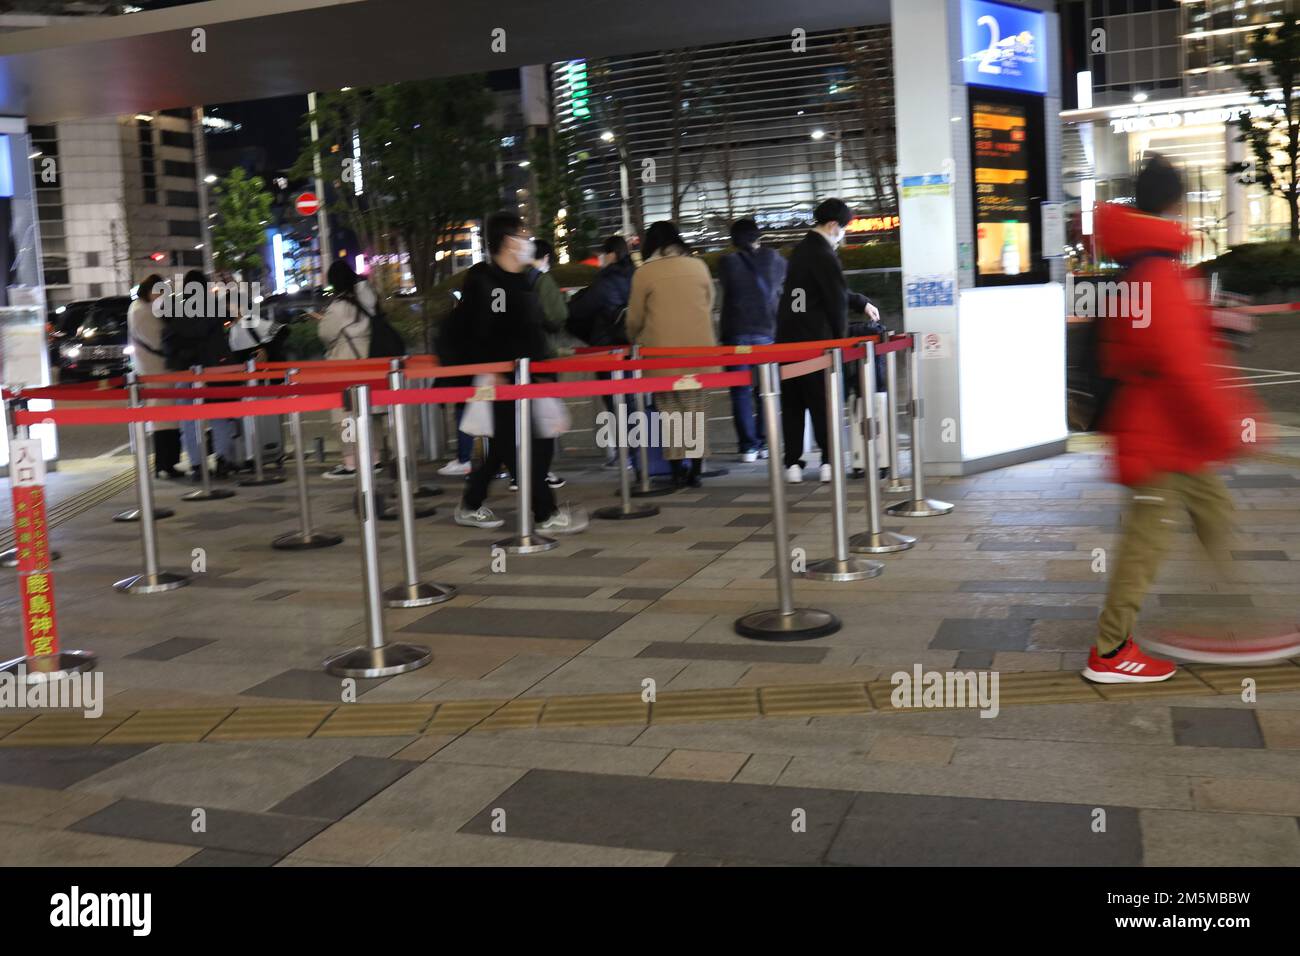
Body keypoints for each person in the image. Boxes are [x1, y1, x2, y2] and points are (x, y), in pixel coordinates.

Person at [1083, 154, 1248, 684]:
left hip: (1166, 431)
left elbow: (1160, 341)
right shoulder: (1155, 270)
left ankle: (1240, 616)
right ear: (1176, 201)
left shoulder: (1145, 263)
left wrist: (1210, 318)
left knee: (1214, 510)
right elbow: (1180, 364)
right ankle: (1110, 651)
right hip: (1158, 434)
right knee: (1145, 542)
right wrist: (1230, 429)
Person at [446, 210, 584, 533]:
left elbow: (530, 326)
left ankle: (471, 503)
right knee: (518, 446)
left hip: (527, 374)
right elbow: (488, 330)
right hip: (502, 378)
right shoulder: (491, 285)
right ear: (508, 241)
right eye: (523, 235)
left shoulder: (520, 280)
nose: (528, 241)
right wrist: (493, 369)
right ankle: (545, 513)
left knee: (513, 446)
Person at [775, 198, 879, 483]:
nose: (843, 233)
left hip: (787, 340)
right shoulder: (824, 254)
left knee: (794, 403)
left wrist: (859, 301)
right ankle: (828, 462)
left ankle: (793, 464)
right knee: (823, 403)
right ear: (833, 225)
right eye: (844, 228)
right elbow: (834, 301)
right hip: (815, 342)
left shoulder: (800, 251)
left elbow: (809, 296)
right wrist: (841, 341)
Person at [626, 221, 716, 489]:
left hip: (661, 354)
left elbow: (635, 318)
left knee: (670, 412)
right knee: (696, 410)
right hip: (700, 354)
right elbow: (709, 303)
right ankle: (697, 470)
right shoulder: (698, 266)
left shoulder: (645, 273)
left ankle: (677, 471)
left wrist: (634, 340)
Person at [718, 218, 786, 462]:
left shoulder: (726, 263)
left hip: (737, 335)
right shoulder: (774, 259)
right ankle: (765, 442)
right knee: (766, 389)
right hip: (766, 333)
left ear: (733, 239)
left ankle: (748, 446)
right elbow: (785, 285)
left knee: (740, 390)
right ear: (758, 236)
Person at [566, 234, 636, 469]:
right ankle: (637, 452)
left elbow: (578, 309)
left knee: (616, 402)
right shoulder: (635, 275)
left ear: (612, 254)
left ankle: (625, 453)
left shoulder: (607, 280)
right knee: (631, 399)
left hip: (607, 348)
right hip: (631, 345)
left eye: (604, 254)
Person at [162, 270, 240, 479]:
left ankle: (197, 464)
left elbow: (168, 337)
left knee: (189, 419)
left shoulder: (175, 307)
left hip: (185, 369)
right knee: (220, 415)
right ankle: (224, 460)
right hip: (213, 368)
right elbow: (231, 317)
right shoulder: (213, 305)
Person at [316, 260, 381, 480]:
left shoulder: (339, 306)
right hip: (369, 362)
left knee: (345, 416)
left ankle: (351, 462)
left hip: (345, 364)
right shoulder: (367, 299)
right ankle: (374, 459)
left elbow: (325, 333)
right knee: (368, 413)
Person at [128, 274, 182, 479]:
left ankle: (166, 463)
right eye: (157, 291)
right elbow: (159, 340)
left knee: (166, 418)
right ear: (147, 290)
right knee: (164, 420)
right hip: (155, 370)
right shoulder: (142, 311)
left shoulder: (141, 308)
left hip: (155, 369)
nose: (160, 296)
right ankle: (165, 464)